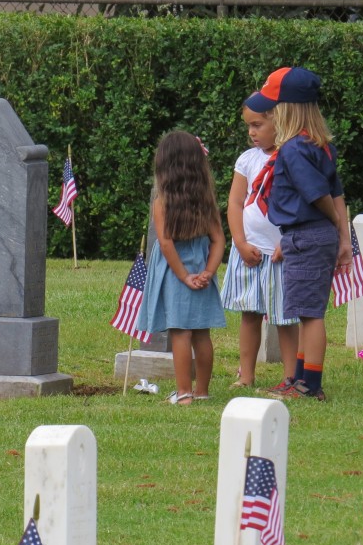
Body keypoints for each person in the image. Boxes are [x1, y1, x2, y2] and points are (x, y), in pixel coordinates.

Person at [246, 67, 350, 401]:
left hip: (306, 234)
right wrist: (342, 237)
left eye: (274, 106)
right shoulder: (319, 145)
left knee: (310, 314)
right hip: (308, 236)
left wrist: (334, 223)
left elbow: (319, 193)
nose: (271, 112)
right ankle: (300, 379)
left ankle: (309, 385)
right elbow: (338, 192)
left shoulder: (292, 149)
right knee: (305, 311)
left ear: (288, 109)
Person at [135, 130, 226, 405]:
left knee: (180, 332)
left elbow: (166, 244)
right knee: (201, 333)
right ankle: (202, 391)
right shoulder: (205, 201)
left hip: (177, 273)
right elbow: (219, 239)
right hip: (202, 269)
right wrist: (208, 272)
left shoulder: (162, 203)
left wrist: (184, 276)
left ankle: (184, 392)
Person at [221, 99, 299, 391]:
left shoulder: (291, 156)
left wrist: (288, 242)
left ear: (278, 121)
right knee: (250, 314)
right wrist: (239, 242)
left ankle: (291, 377)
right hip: (250, 251)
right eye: (248, 126)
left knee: (286, 317)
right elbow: (236, 202)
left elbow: (298, 203)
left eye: (258, 125)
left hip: (280, 253)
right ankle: (246, 376)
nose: (252, 132)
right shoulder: (248, 159)